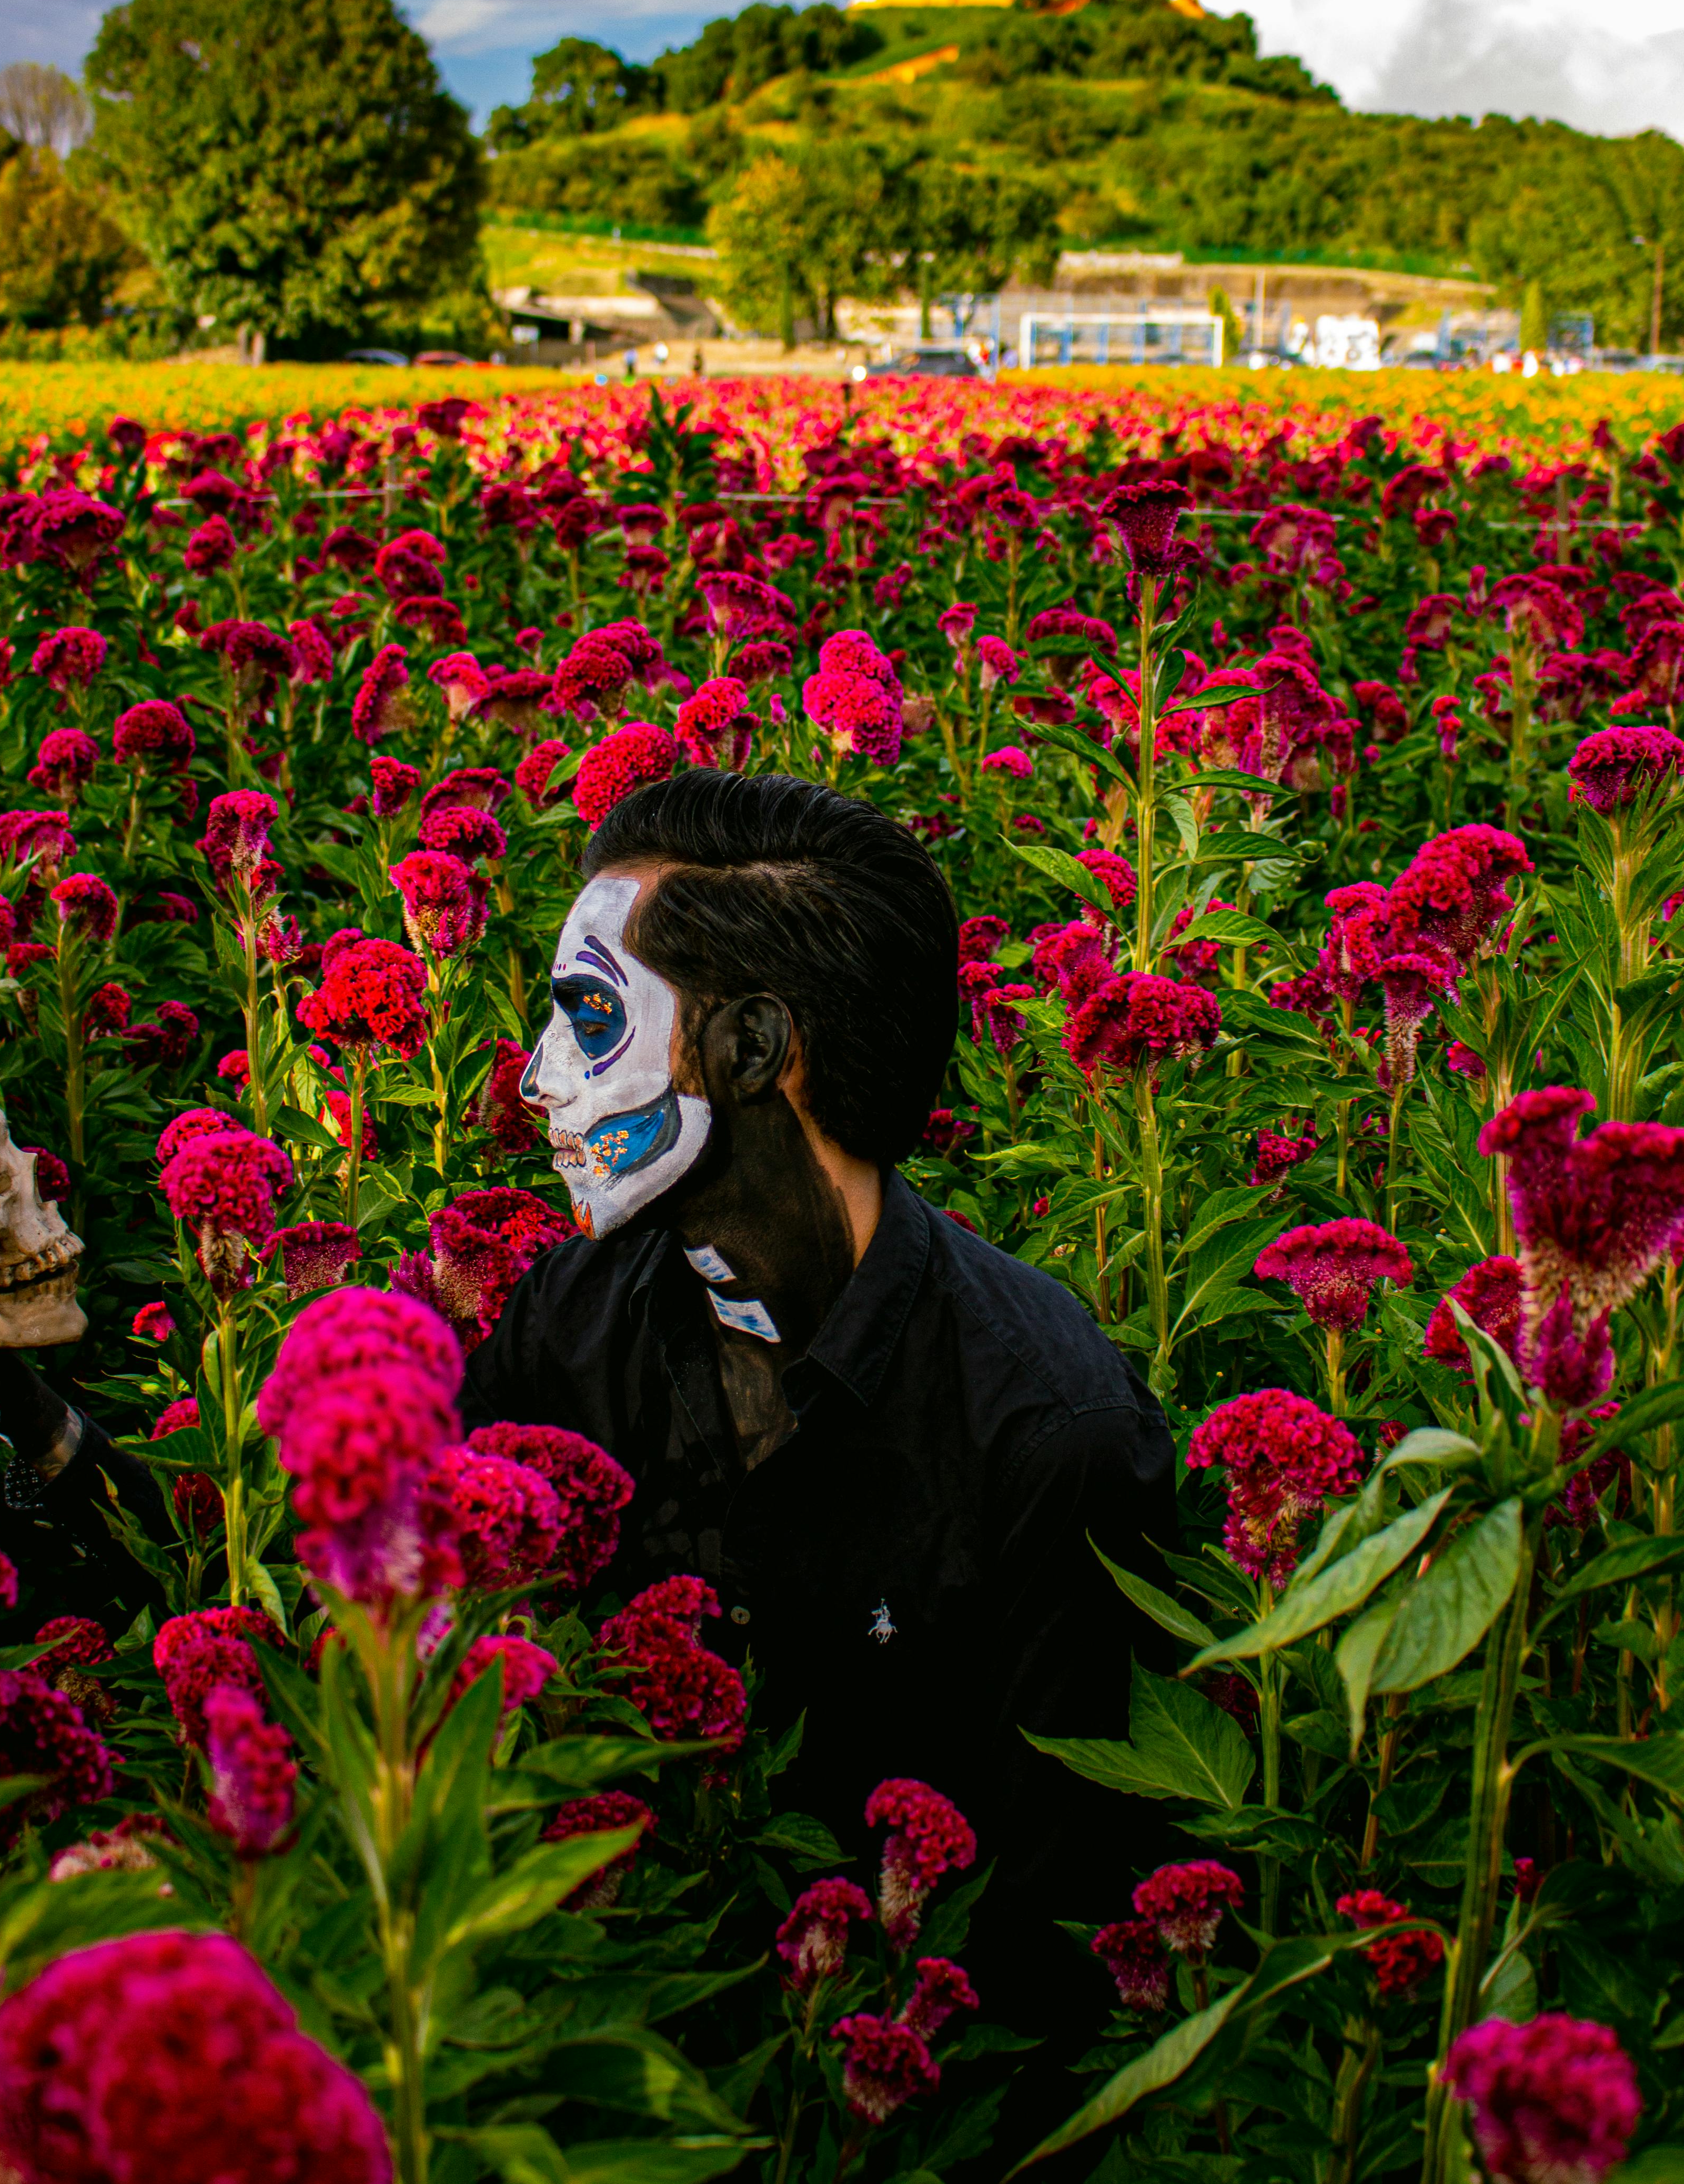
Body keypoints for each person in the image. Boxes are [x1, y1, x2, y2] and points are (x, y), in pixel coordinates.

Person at [461, 770, 1176, 2060]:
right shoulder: (565, 1324)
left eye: (587, 1018)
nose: (535, 1076)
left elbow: (1057, 1930)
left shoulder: (1044, 1425)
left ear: (749, 1049)